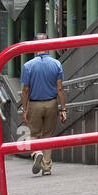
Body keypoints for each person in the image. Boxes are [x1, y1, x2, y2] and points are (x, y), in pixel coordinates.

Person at [20, 33, 67, 176]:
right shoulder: (56, 64)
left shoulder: (28, 66)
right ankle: (46, 167)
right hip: (52, 103)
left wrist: (24, 109)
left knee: (34, 134)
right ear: (48, 45)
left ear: (34, 46)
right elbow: (59, 88)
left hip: (34, 104)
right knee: (48, 135)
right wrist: (63, 109)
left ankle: (36, 153)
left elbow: (25, 89)